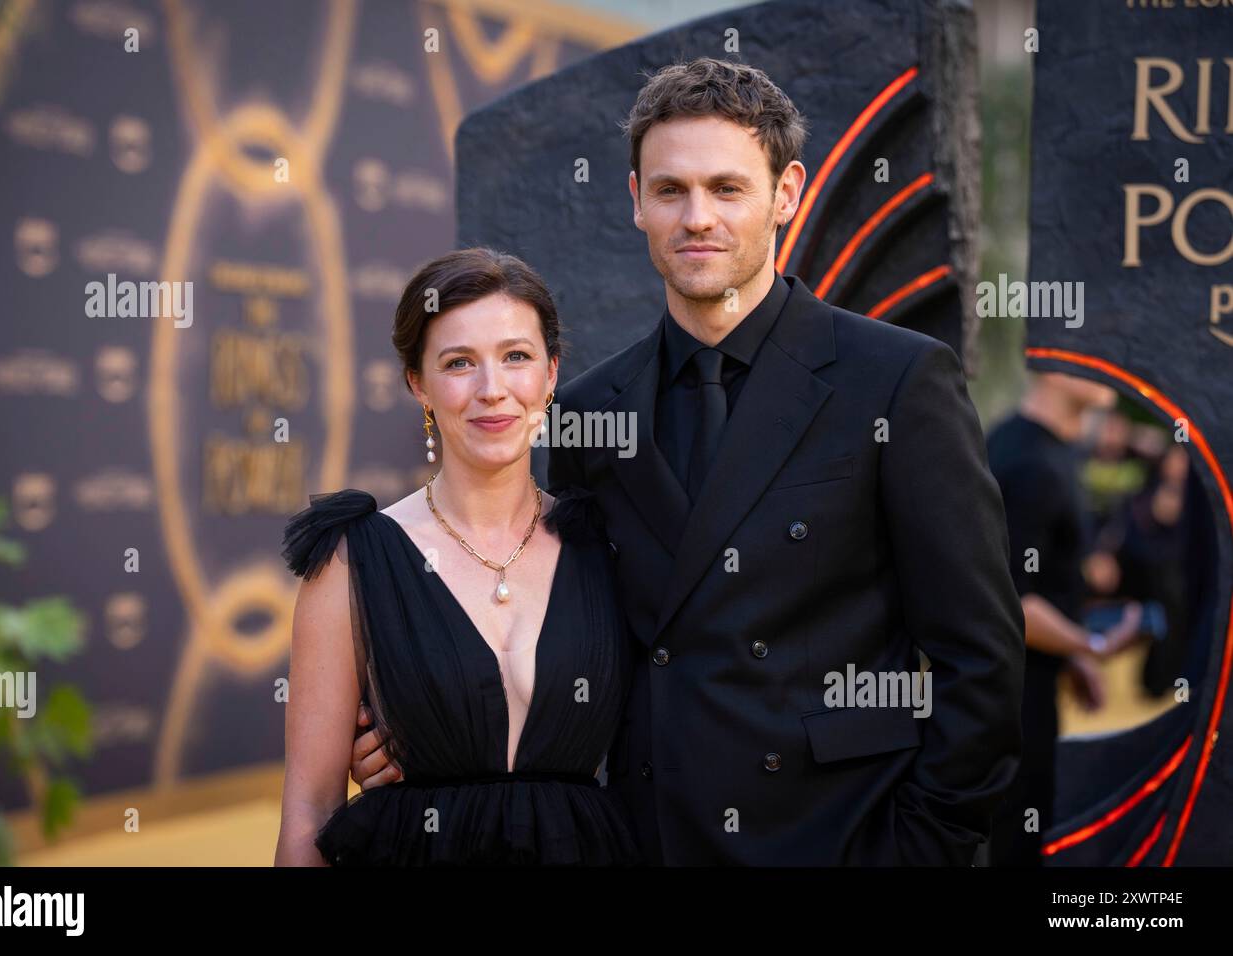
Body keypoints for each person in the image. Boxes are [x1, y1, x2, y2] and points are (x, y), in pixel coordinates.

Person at [354, 57, 1025, 865]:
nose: (696, 217)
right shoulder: (590, 413)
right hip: (650, 841)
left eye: (727, 188)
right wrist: (428, 739)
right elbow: (566, 641)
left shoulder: (896, 381)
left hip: (840, 835)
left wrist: (920, 849)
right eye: (670, 190)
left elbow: (980, 658)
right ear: (636, 200)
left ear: (786, 193)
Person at [274, 248, 642, 866]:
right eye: (459, 363)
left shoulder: (605, 545)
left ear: (551, 373)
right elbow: (309, 810)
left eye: (516, 357)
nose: (492, 390)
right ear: (417, 383)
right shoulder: (352, 561)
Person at [986, 371, 1142, 867]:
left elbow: (1041, 582)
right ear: (1052, 361)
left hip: (1026, 686)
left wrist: (1071, 655)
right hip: (1009, 703)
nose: (1110, 367)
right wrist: (1091, 645)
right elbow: (1009, 603)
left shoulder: (1041, 446)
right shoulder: (1029, 461)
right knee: (1016, 841)